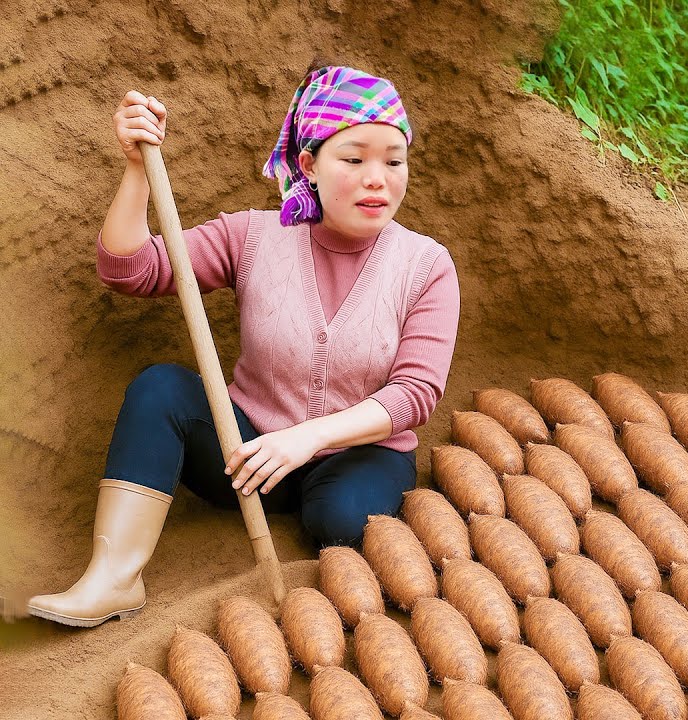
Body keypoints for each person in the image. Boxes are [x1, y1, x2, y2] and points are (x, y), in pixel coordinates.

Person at [26, 66, 460, 627]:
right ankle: (113, 578)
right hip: (247, 455)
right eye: (353, 159)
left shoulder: (427, 265)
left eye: (393, 161)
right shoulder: (253, 235)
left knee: (342, 520)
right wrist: (137, 168)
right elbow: (131, 270)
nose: (377, 179)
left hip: (360, 455)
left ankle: (326, 517)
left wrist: (306, 439)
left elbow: (415, 394)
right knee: (161, 388)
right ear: (309, 164)